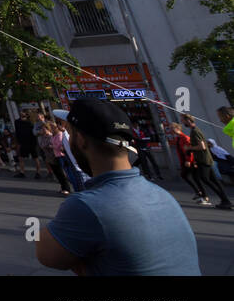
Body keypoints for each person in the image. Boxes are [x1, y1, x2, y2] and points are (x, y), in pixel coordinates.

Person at [37, 99, 200, 275]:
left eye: (70, 133)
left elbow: (46, 254)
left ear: (81, 140)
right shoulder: (163, 195)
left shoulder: (86, 206)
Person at [181, 114, 231, 209]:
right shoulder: (194, 130)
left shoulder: (195, 131)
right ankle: (225, 200)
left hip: (203, 159)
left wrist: (189, 147)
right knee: (214, 180)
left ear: (188, 120)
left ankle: (225, 200)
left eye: (183, 120)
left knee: (205, 179)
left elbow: (202, 146)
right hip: (205, 159)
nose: (182, 122)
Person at [169, 122, 208, 202]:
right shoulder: (178, 138)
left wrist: (188, 160)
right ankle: (200, 193)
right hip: (184, 161)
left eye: (172, 128)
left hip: (190, 161)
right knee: (187, 176)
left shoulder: (185, 137)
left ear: (177, 128)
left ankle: (203, 195)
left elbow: (190, 150)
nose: (170, 130)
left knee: (194, 178)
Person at [51, 118, 85, 193]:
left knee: (79, 180)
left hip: (75, 162)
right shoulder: (64, 134)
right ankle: (78, 192)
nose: (58, 127)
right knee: (73, 178)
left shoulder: (66, 134)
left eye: (59, 125)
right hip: (70, 160)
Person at [14, 110, 43, 178]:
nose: (22, 113)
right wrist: (18, 142)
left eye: (23, 112)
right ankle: (22, 172)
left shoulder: (31, 122)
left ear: (27, 114)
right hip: (22, 142)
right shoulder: (17, 122)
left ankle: (38, 172)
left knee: (35, 157)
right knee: (20, 157)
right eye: (21, 112)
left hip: (31, 142)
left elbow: (34, 132)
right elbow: (17, 132)